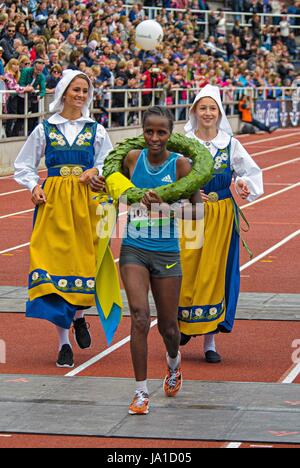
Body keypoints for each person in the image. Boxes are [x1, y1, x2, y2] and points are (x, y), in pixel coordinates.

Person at [14, 70, 113, 368]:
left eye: (84, 90)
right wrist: (33, 187)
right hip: (54, 202)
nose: (80, 95)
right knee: (52, 266)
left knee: (83, 263)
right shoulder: (45, 129)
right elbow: (24, 164)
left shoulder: (97, 129)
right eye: (75, 89)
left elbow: (108, 162)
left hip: (85, 202)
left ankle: (80, 318)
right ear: (63, 93)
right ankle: (63, 344)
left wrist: (96, 172)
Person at [116, 106, 203, 415]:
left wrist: (166, 207)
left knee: (169, 328)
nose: (154, 138)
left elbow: (198, 213)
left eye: (161, 132)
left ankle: (173, 362)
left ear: (170, 134)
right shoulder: (130, 159)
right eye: (149, 131)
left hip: (166, 252)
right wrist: (100, 187)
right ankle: (140, 392)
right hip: (133, 248)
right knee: (139, 316)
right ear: (142, 132)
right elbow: (113, 192)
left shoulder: (180, 166)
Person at [179, 85, 264, 363]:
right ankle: (185, 323)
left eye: (212, 108)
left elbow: (252, 172)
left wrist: (242, 183)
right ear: (194, 111)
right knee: (187, 269)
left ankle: (210, 341)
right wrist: (187, 192)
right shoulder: (183, 141)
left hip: (222, 216)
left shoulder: (230, 143)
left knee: (217, 274)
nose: (207, 113)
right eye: (202, 108)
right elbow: (166, 175)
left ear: (219, 112)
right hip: (191, 215)